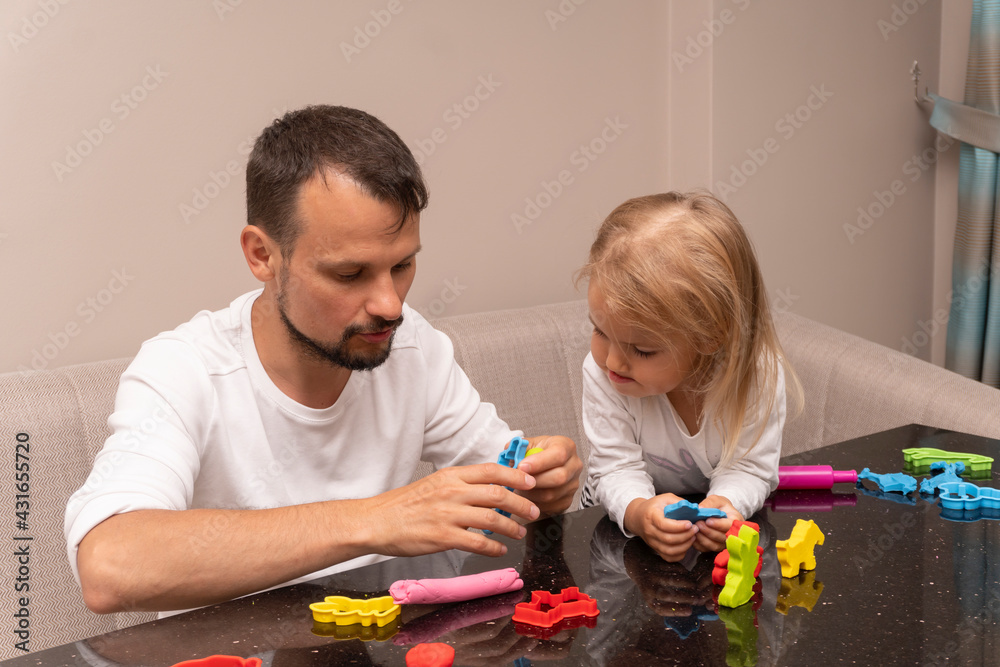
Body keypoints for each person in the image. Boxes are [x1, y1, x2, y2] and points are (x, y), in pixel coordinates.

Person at [65, 105, 581, 614]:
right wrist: (375, 520)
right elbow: (111, 566)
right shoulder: (184, 369)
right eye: (349, 274)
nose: (391, 305)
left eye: (403, 265)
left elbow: (510, 489)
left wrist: (545, 482)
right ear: (262, 255)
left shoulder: (412, 345)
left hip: (380, 639)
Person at [577, 191, 801, 562]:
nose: (612, 361)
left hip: (700, 536)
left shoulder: (756, 374)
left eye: (642, 349)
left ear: (711, 335)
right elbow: (615, 468)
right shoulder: (602, 372)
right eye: (600, 331)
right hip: (615, 527)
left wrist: (726, 503)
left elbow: (749, 466)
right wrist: (639, 513)